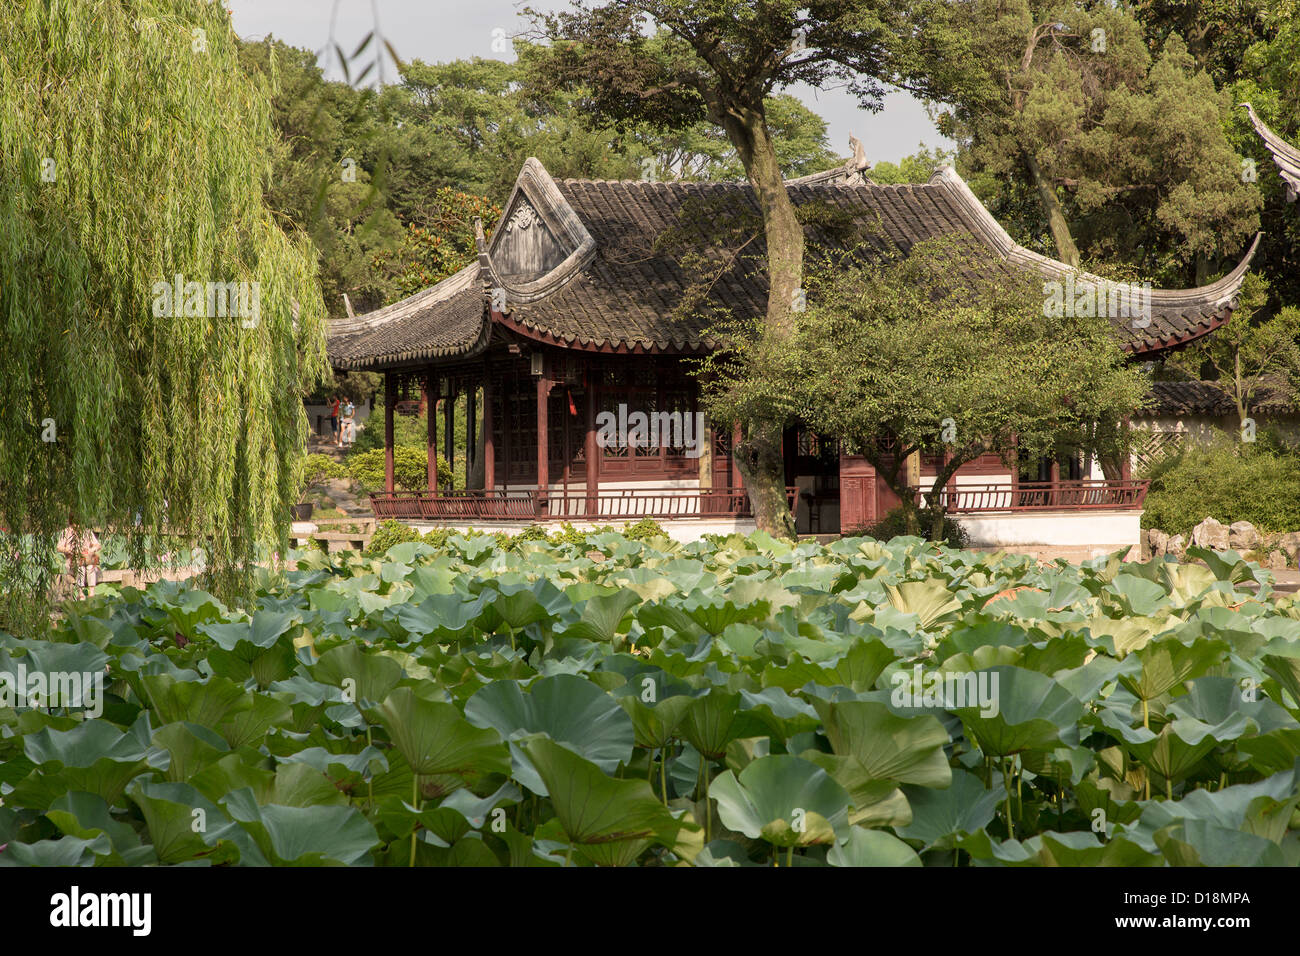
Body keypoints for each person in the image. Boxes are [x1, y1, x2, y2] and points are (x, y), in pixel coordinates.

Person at [57, 519, 101, 591]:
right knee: (80, 568)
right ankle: (80, 593)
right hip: (72, 563)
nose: (78, 526)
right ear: (71, 523)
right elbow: (59, 547)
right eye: (75, 523)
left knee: (91, 567)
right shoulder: (66, 532)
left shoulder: (87, 532)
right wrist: (67, 550)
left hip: (87, 560)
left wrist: (91, 550)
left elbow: (98, 545)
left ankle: (92, 592)